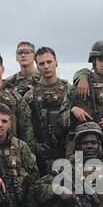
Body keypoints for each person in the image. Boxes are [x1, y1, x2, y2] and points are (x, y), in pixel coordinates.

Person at [24, 46, 70, 174]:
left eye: (49, 62)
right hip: (39, 153)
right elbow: (25, 126)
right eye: (41, 63)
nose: (46, 66)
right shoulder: (30, 95)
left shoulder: (68, 90)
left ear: (56, 63)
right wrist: (35, 147)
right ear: (37, 67)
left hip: (65, 150)